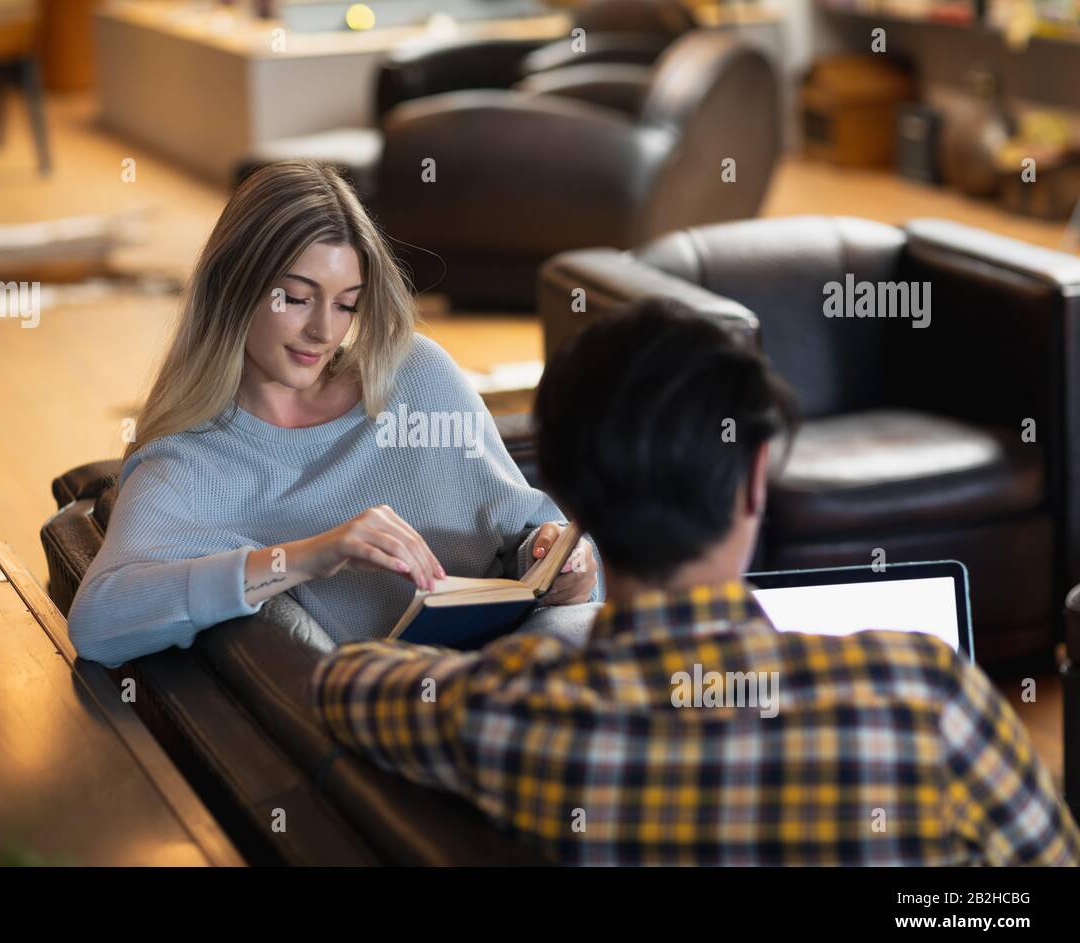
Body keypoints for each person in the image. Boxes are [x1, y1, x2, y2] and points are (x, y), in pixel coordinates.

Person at [312, 297, 1080, 866]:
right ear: (753, 485)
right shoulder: (926, 699)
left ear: (572, 501)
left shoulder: (509, 714)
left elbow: (342, 680)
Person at [67, 161, 599, 668]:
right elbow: (98, 622)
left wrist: (557, 561)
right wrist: (308, 555)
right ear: (234, 284)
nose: (324, 331)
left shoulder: (416, 374)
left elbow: (524, 528)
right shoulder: (192, 461)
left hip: (541, 662)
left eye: (347, 303)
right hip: (415, 715)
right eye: (298, 298)